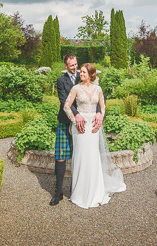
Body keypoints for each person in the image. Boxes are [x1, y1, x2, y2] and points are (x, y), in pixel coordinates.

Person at [63, 62, 126, 208]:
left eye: (84, 72)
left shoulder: (98, 89)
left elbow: (103, 107)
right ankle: (80, 193)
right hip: (80, 127)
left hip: (94, 126)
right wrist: (74, 119)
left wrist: (99, 116)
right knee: (81, 157)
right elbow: (66, 106)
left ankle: (96, 192)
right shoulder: (75, 88)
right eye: (81, 72)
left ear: (91, 74)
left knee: (93, 157)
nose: (81, 74)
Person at [50, 54, 103, 206]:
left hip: (85, 125)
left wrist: (99, 112)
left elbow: (96, 98)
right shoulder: (61, 81)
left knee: (82, 156)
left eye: (76, 64)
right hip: (66, 121)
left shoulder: (85, 75)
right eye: (71, 65)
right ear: (66, 66)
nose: (75, 68)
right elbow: (63, 100)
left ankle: (80, 190)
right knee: (60, 155)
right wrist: (77, 115)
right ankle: (58, 193)